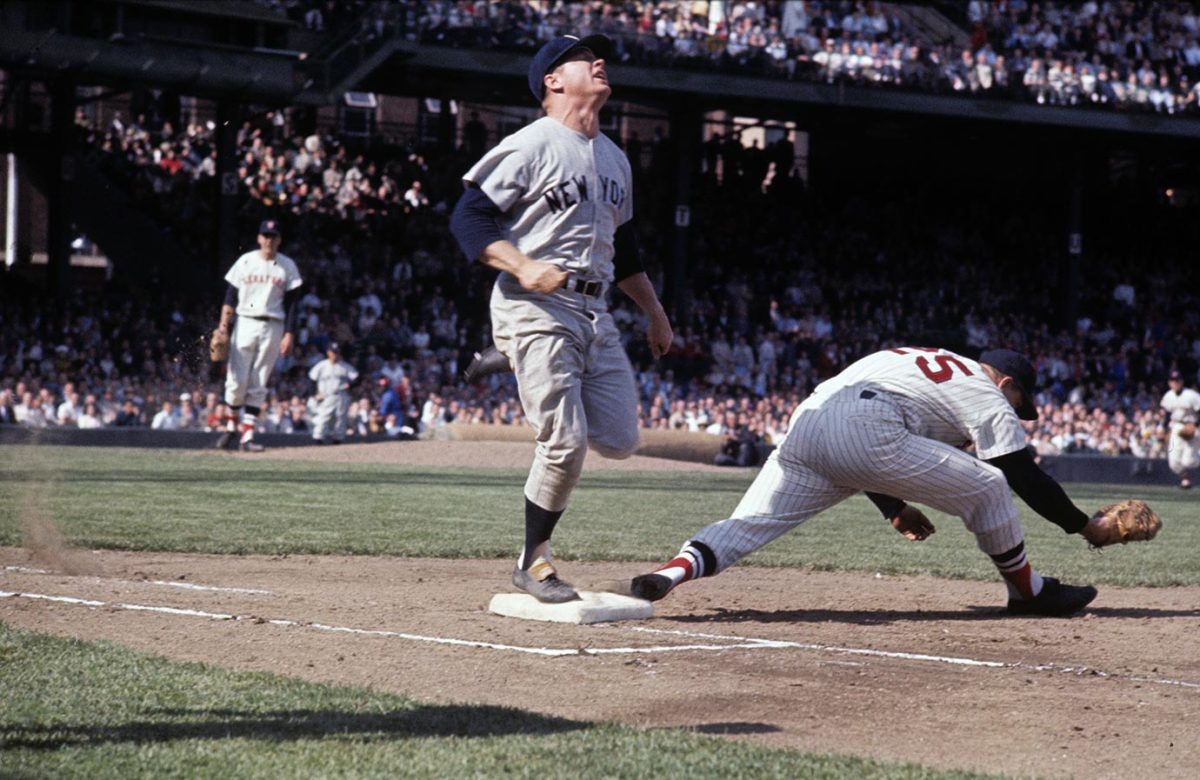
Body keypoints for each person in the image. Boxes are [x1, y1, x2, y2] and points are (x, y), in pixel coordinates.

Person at [605, 348, 1101, 617]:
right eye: (1019, 404)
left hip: (809, 422)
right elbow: (1021, 473)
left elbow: (855, 424)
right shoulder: (987, 393)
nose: (1016, 412)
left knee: (747, 525)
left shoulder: (916, 360)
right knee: (991, 485)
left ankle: (670, 574)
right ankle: (1029, 593)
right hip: (871, 427)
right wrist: (1085, 526)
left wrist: (893, 508)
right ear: (1007, 385)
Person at [449, 34, 674, 603]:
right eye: (582, 58)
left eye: (599, 55)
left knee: (620, 440)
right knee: (565, 443)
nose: (599, 62)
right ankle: (533, 561)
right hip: (536, 305)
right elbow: (468, 219)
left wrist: (654, 312)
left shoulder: (616, 157)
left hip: (594, 310)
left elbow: (625, 250)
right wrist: (523, 266)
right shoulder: (529, 145)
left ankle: (511, 357)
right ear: (552, 81)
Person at [214, 219, 304, 452]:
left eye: (273, 236)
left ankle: (247, 436)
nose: (269, 240)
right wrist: (223, 325)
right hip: (245, 321)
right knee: (236, 380)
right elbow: (230, 296)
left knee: (259, 380)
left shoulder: (287, 265)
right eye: (265, 235)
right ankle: (231, 426)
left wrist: (289, 333)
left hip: (273, 325)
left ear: (279, 239)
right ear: (258, 238)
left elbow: (293, 304)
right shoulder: (246, 261)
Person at [308, 342, 359, 444]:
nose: (335, 354)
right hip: (326, 395)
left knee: (341, 417)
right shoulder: (322, 365)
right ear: (328, 352)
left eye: (337, 352)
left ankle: (338, 440)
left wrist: (350, 386)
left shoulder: (345, 366)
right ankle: (318, 439)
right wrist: (315, 394)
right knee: (323, 417)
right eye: (333, 352)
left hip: (341, 395)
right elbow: (312, 379)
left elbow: (356, 378)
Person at [1160, 369, 1200, 489]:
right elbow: (1167, 415)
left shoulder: (1191, 395)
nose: (1175, 382)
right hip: (1176, 427)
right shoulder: (1168, 396)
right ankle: (1185, 480)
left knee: (1188, 462)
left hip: (1192, 426)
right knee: (1173, 462)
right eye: (1173, 380)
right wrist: (1163, 429)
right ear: (1169, 382)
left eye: (1177, 380)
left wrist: (1195, 425)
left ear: (1182, 381)